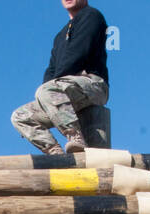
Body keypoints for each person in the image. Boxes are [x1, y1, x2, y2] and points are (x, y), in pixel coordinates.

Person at [11, 0, 110, 156]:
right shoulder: (59, 36)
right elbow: (51, 68)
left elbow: (79, 53)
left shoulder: (91, 16)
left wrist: (49, 90)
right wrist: (46, 97)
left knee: (47, 91)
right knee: (20, 116)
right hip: (61, 89)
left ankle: (75, 137)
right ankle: (55, 153)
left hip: (92, 85)